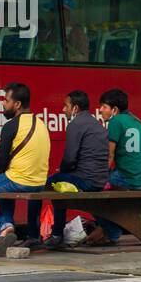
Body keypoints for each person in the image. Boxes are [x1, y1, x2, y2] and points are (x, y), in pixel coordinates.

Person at [0, 82, 52, 256]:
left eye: (6, 101)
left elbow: (0, 162)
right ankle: (15, 229)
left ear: (17, 104)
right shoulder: (41, 123)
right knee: (3, 183)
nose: (3, 104)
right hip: (39, 182)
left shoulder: (11, 126)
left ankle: (0, 230)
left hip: (20, 180)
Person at [82, 88, 141, 247]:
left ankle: (111, 232)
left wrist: (98, 177)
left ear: (114, 110)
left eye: (104, 107)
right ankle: (109, 230)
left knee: (89, 190)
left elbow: (109, 155)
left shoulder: (115, 121)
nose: (100, 110)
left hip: (130, 178)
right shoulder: (135, 120)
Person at [43, 90, 109, 248]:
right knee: (61, 180)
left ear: (75, 108)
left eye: (66, 106)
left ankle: (56, 234)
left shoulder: (75, 124)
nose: (63, 110)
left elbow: (69, 158)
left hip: (86, 181)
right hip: (100, 180)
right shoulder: (96, 123)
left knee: (52, 184)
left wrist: (61, 171)